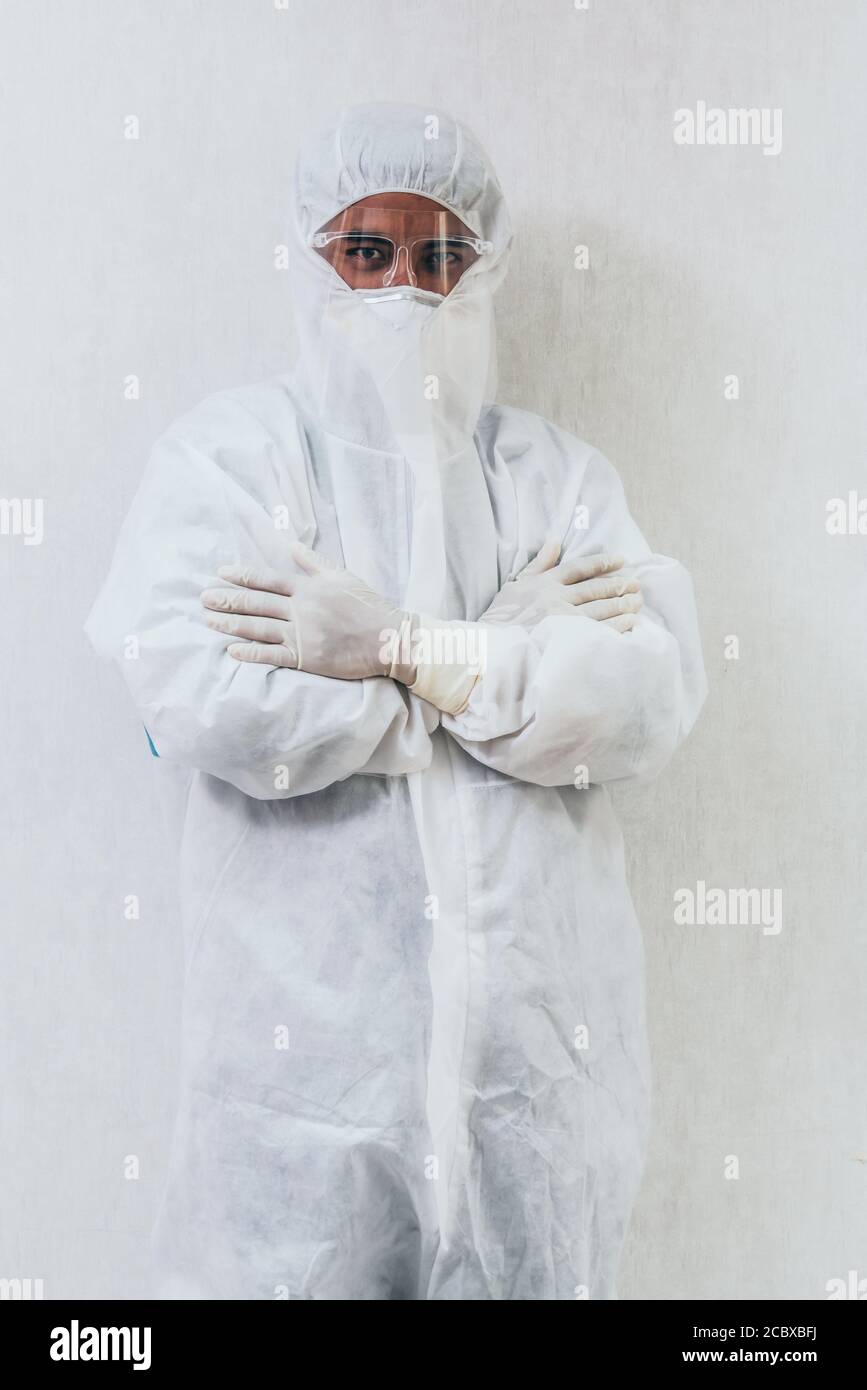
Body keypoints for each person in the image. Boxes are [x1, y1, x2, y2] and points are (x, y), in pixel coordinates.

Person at [85, 101, 707, 1301]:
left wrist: (385, 646)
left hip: (540, 1092)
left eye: (441, 255)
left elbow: (640, 699)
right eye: (365, 252)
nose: (408, 292)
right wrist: (480, 671)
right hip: (301, 1096)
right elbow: (206, 704)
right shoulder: (233, 461)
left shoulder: (556, 482)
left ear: (485, 270)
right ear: (311, 259)